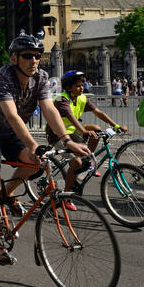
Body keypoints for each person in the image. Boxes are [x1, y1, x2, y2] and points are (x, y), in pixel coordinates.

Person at [0, 35, 89, 264]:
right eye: (27, 56)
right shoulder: (2, 78)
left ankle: (6, 194)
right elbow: (12, 115)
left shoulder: (41, 78)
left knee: (35, 163)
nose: (34, 60)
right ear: (14, 58)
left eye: (38, 56)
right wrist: (33, 145)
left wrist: (67, 140)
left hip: (8, 133)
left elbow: (49, 109)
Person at [51, 70, 123, 202]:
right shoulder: (61, 99)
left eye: (82, 85)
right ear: (68, 87)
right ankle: (65, 196)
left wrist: (116, 125)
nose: (81, 88)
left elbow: (98, 112)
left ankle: (86, 161)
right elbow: (71, 117)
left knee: (96, 130)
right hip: (57, 135)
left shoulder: (82, 98)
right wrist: (84, 131)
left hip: (73, 131)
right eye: (77, 86)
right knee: (76, 162)